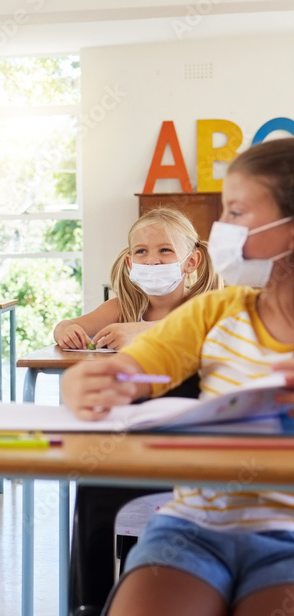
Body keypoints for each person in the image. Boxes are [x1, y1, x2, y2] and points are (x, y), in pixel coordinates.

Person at [62, 138, 294, 616]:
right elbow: (139, 362)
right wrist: (98, 381)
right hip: (192, 530)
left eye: (235, 212)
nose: (220, 229)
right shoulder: (216, 310)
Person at [53, 208, 221, 350]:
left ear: (191, 262)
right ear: (130, 263)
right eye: (141, 251)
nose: (151, 260)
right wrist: (66, 331)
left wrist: (141, 331)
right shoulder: (121, 308)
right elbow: (64, 326)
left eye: (165, 250)